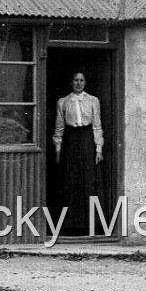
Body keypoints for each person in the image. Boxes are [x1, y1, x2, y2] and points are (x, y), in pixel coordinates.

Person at [53, 73, 103, 226]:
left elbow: (97, 125)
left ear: (85, 82)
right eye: (75, 80)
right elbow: (59, 127)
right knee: (71, 178)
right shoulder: (63, 102)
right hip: (71, 139)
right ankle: (71, 223)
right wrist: (58, 150)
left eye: (81, 80)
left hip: (87, 139)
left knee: (88, 178)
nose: (78, 83)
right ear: (71, 82)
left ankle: (90, 222)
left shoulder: (93, 100)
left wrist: (98, 148)